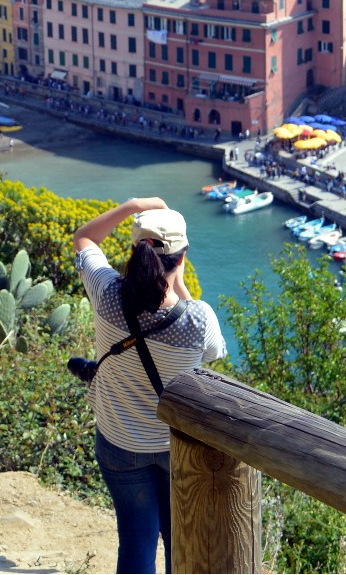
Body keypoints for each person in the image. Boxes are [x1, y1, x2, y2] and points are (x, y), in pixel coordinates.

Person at [72, 199, 226, 574]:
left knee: (137, 543)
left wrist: (133, 206)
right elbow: (215, 354)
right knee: (180, 542)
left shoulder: (106, 292)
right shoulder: (197, 320)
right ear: (182, 256)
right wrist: (181, 286)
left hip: (120, 443)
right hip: (175, 447)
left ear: (134, 252)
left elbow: (84, 238)